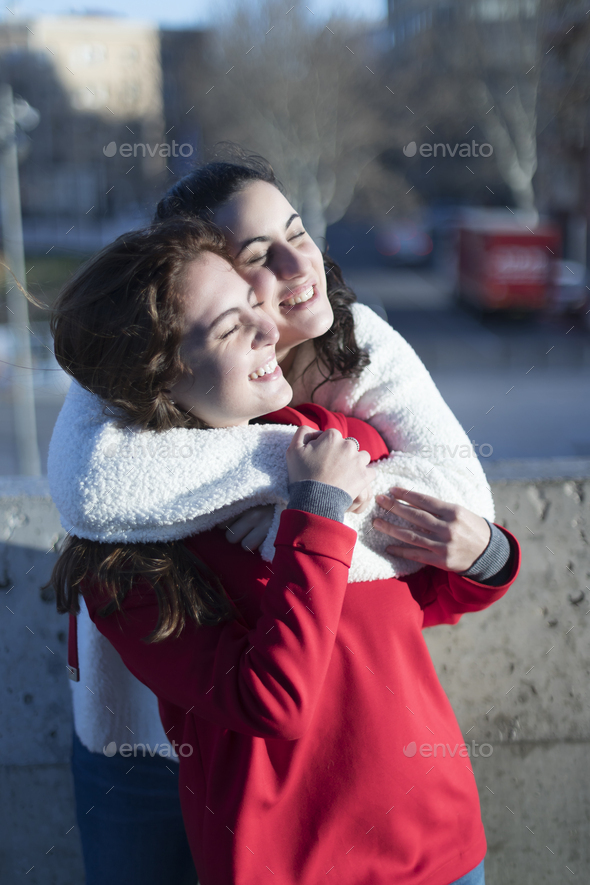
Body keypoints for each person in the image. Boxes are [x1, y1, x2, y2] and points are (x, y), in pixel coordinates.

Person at [47, 217, 521, 885]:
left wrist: (490, 557)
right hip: (289, 868)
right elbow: (272, 701)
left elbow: (418, 606)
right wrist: (316, 514)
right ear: (159, 378)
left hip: (441, 849)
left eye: (252, 304)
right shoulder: (129, 567)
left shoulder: (322, 438)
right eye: (229, 328)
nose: (267, 328)